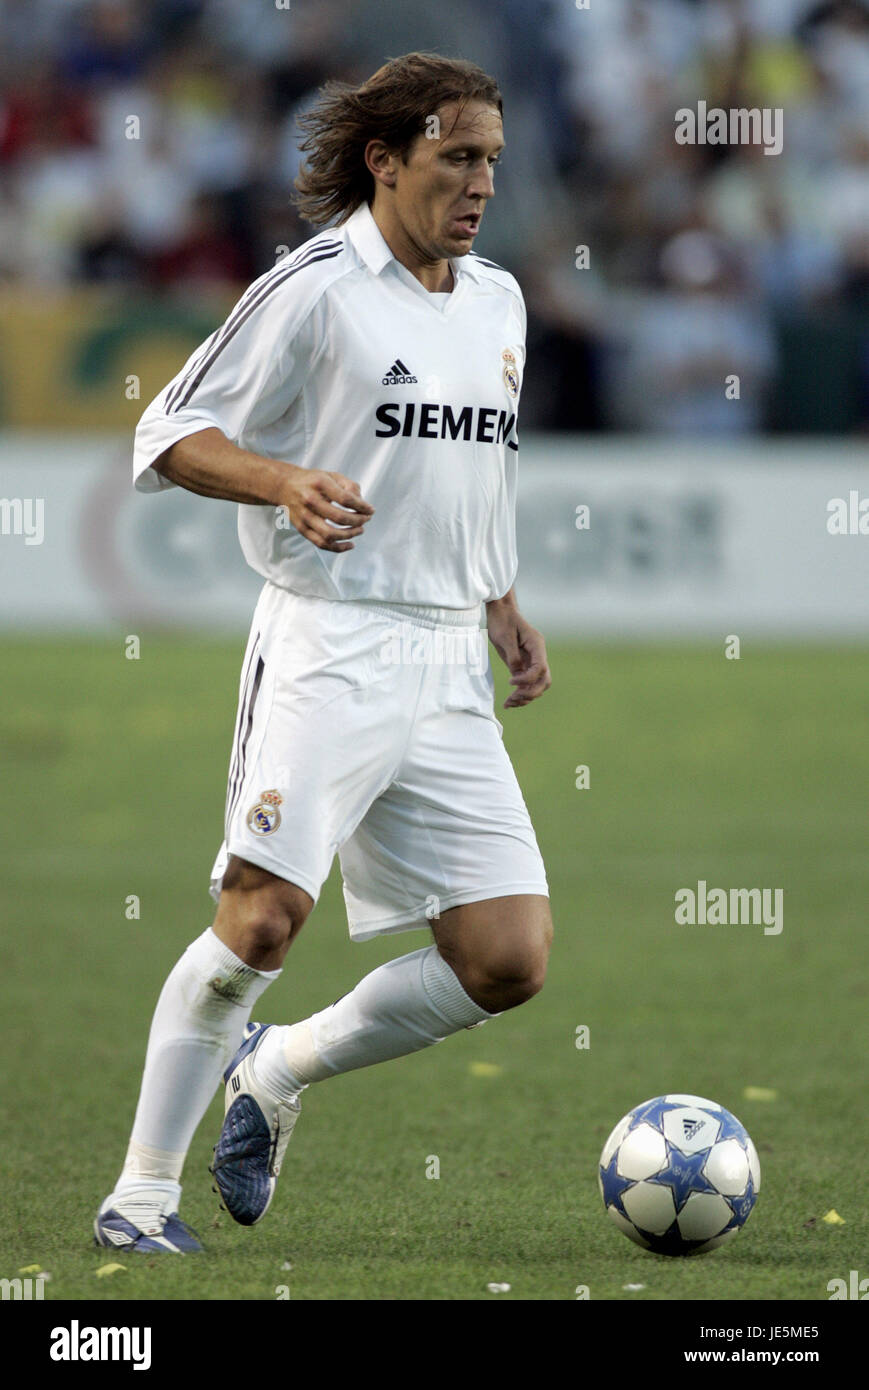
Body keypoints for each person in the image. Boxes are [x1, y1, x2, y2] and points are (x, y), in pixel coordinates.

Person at [94, 51, 553, 1254]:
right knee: (259, 923)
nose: (479, 184)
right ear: (383, 160)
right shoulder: (311, 288)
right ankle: (139, 1197)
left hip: (449, 659)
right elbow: (168, 429)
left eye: (491, 161)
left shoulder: (497, 299)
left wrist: (499, 600)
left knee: (506, 958)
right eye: (457, 157)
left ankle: (278, 1068)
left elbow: (472, 467)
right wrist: (281, 477)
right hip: (327, 646)